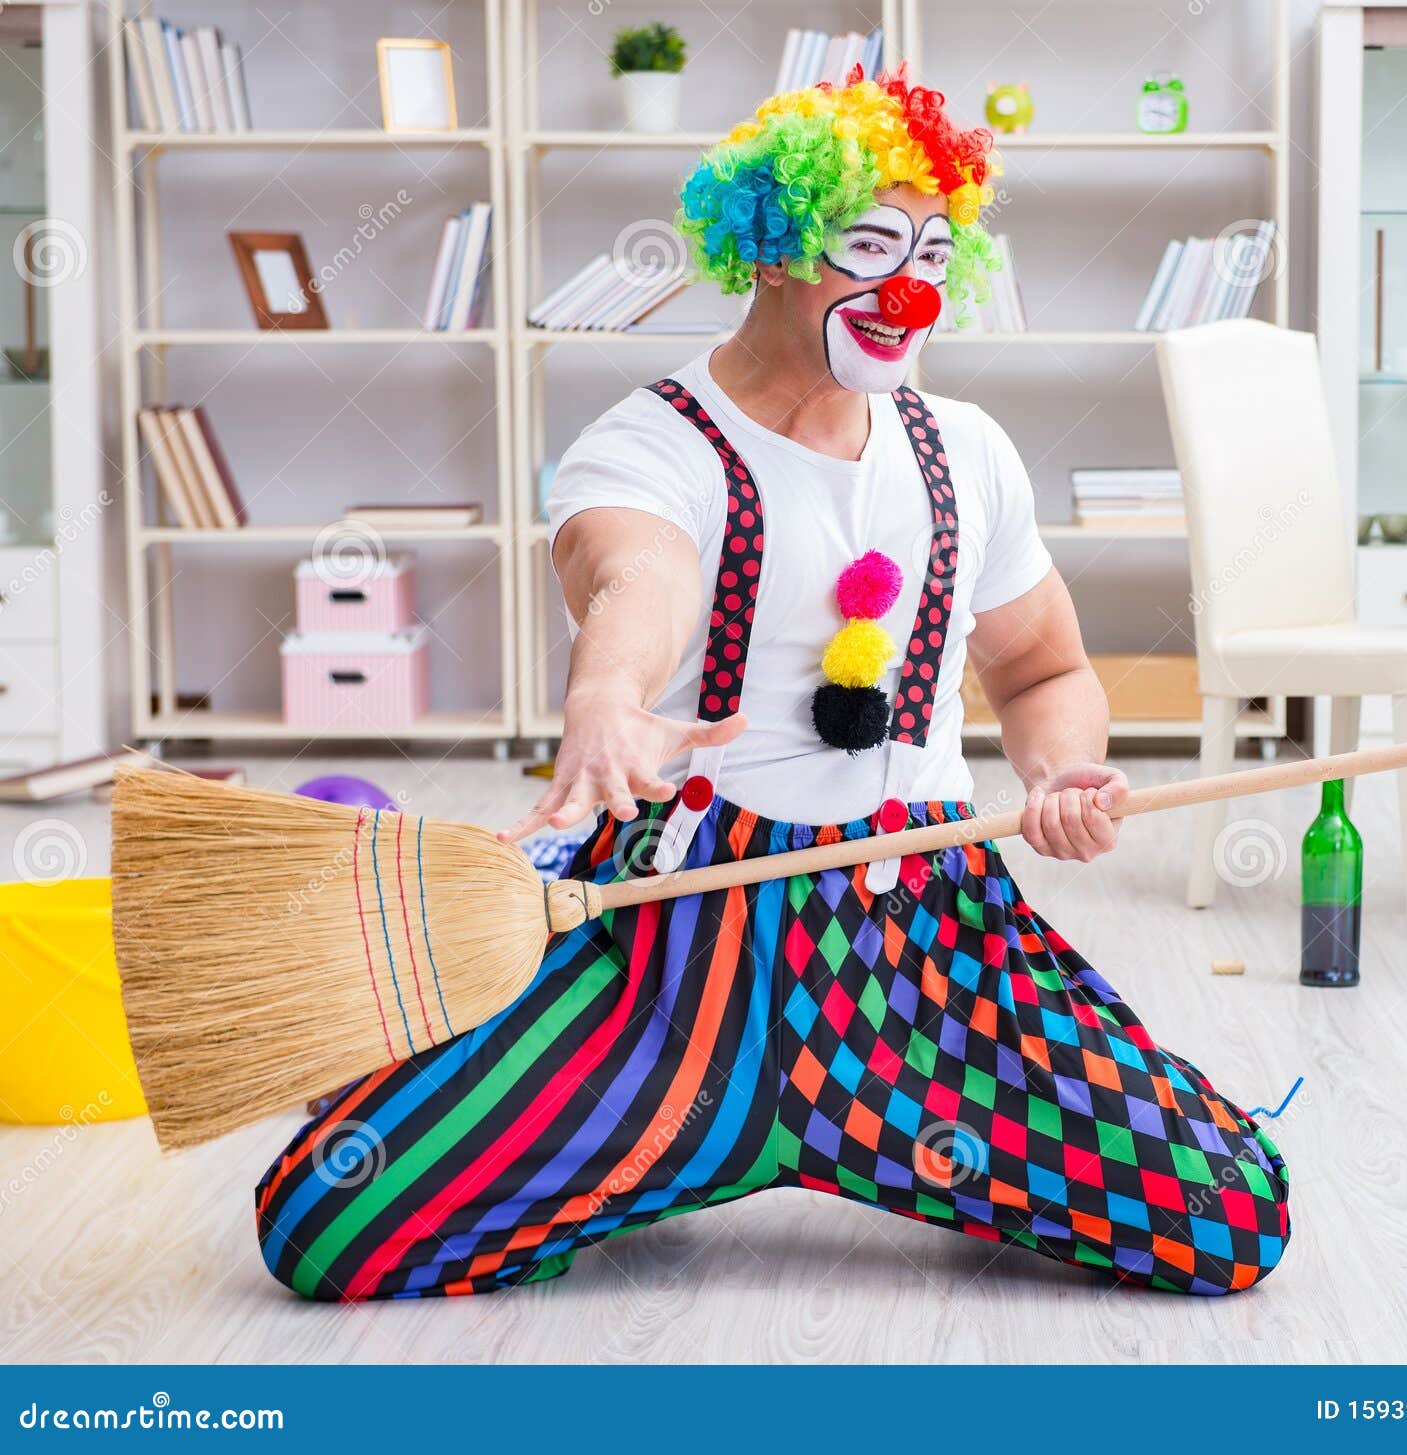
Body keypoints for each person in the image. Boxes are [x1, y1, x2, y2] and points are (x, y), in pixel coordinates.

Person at [256, 66, 1289, 1302]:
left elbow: (1043, 663)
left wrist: (1060, 768)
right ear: (773, 247)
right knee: (327, 1226)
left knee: (1229, 1217)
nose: (909, 286)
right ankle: (655, 1140)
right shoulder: (651, 443)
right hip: (676, 940)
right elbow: (633, 572)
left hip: (927, 936)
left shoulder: (967, 449)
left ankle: (916, 1146)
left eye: (933, 250)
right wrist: (606, 696)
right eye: (867, 246)